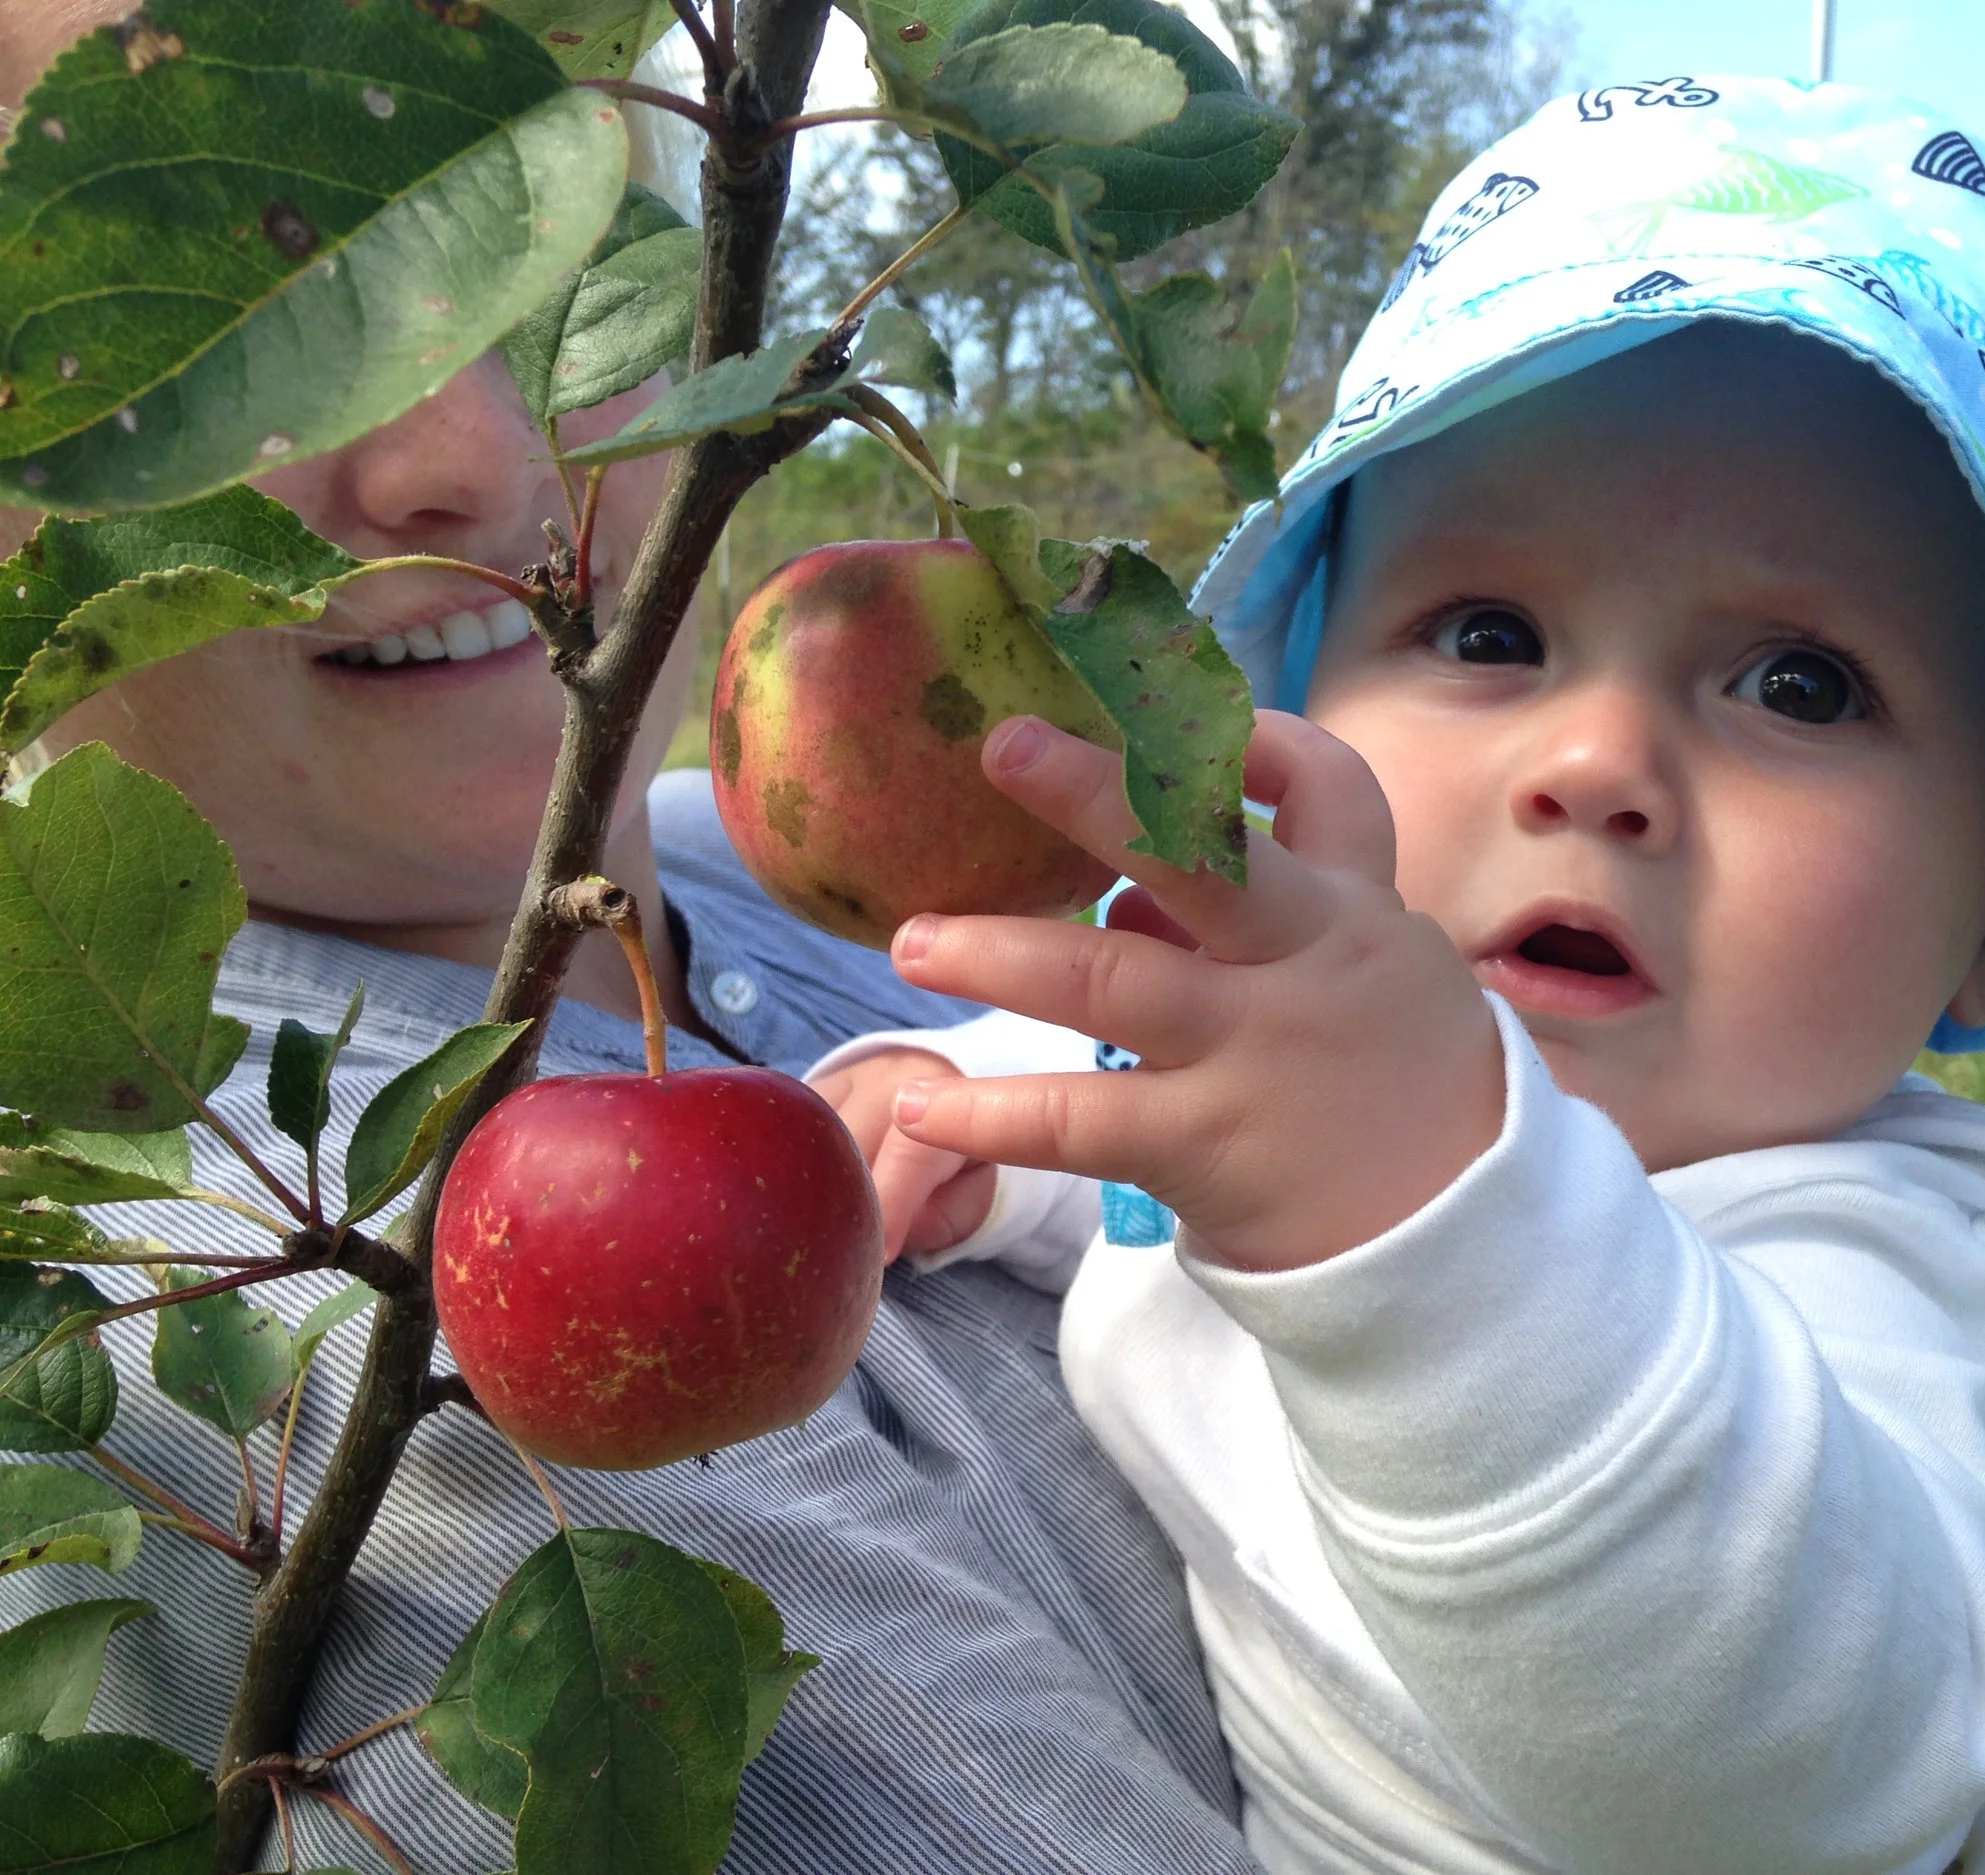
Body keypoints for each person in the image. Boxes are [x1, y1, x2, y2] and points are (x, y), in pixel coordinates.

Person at [814, 81, 1985, 1874]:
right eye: (1488, 635)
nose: (1597, 759)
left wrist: (1420, 1222)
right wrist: (959, 1121)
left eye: (1801, 685)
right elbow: (1150, 1133)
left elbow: (1780, 1784)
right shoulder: (1300, 1085)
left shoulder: (1925, 1278)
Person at [0, 8, 1262, 1869]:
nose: (464, 449)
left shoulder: (822, 876)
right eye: (250, 305)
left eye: (539, 245)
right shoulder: (299, 1306)